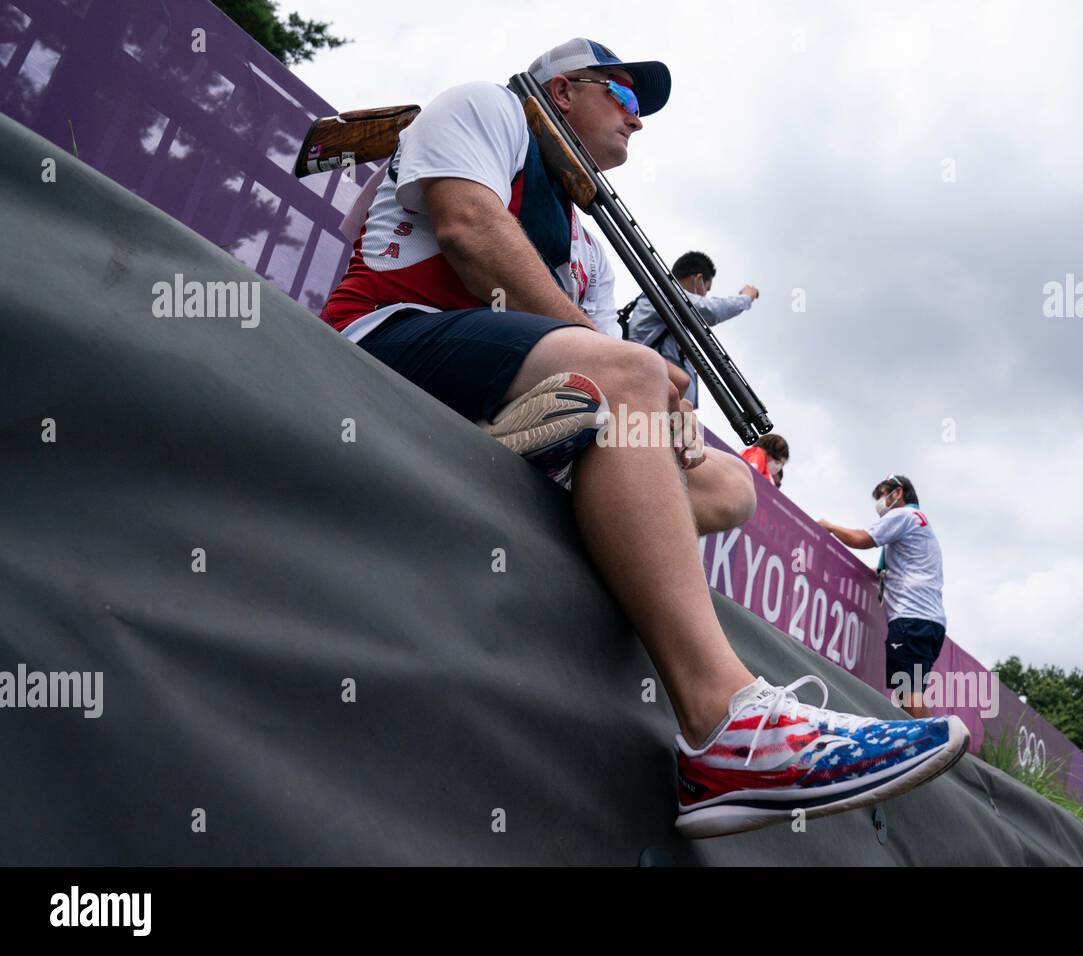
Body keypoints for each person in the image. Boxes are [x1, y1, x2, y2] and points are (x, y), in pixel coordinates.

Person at [319, 38, 968, 837]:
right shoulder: (484, 106)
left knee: (729, 487)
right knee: (625, 383)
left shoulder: (592, 244)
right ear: (563, 91)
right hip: (385, 339)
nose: (638, 123)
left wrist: (661, 418)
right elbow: (466, 226)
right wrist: (633, 379)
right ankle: (721, 724)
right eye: (623, 101)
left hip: (505, 383)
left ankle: (530, 447)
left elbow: (601, 361)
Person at [818, 475, 946, 717]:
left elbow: (863, 539)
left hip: (911, 618)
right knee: (908, 691)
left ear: (897, 493)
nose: (879, 503)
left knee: (908, 692)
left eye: (882, 495)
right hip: (929, 622)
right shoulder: (920, 523)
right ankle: (932, 743)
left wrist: (830, 527)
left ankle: (928, 746)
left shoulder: (902, 515)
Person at [620, 251, 758, 407]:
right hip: (648, 397)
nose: (705, 295)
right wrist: (746, 298)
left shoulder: (667, 304)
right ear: (698, 280)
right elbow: (712, 310)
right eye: (707, 288)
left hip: (662, 399)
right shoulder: (665, 293)